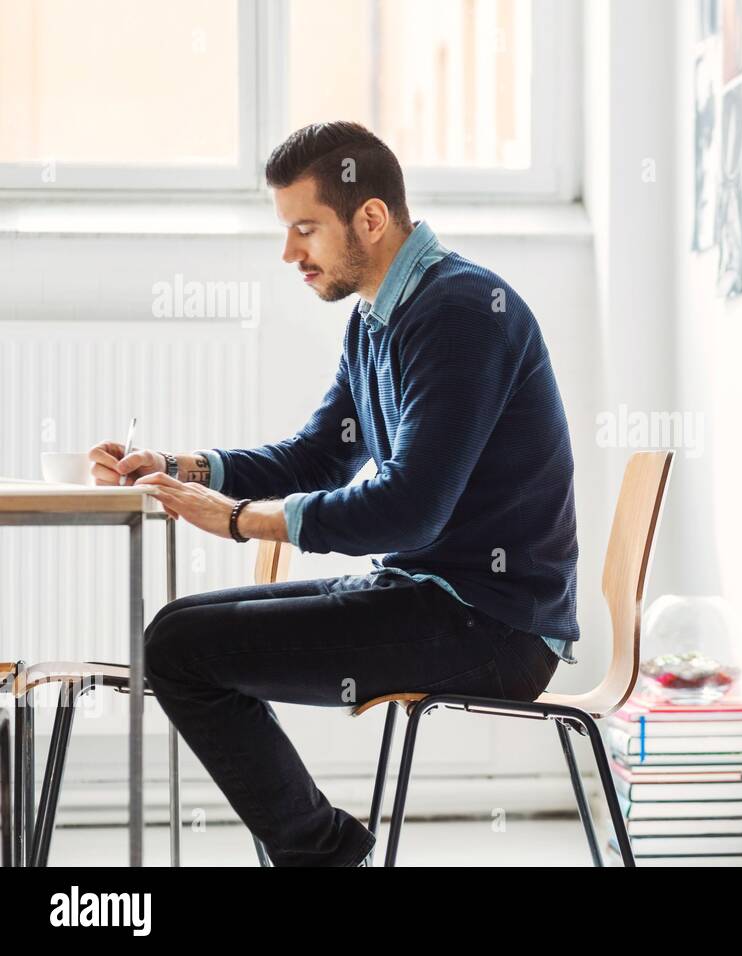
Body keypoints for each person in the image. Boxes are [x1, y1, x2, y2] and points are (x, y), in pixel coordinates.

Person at [87, 122, 580, 866]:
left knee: (180, 648)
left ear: (371, 218)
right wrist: (185, 468)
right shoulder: (376, 320)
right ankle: (324, 849)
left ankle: (322, 855)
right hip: (426, 591)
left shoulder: (461, 313)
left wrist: (243, 522)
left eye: (305, 229)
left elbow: (412, 508)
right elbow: (321, 453)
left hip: (492, 624)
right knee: (176, 634)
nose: (290, 254)